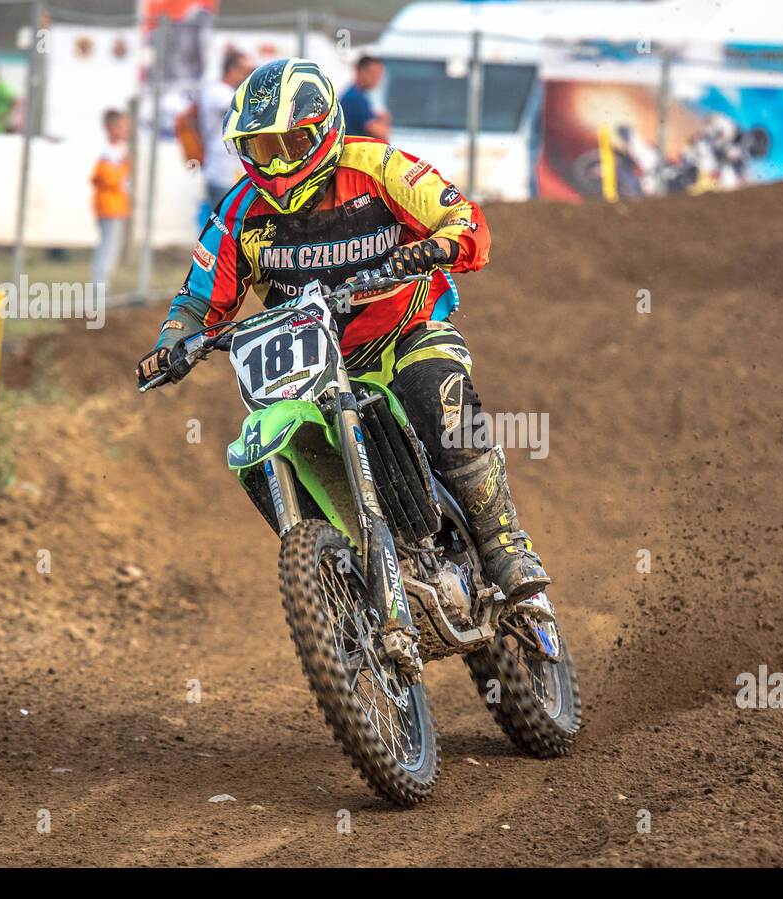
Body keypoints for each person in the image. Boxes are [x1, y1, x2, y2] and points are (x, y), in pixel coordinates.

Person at [136, 58, 551, 612]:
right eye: (263, 149)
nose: (279, 162)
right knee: (264, 442)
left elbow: (466, 221)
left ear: (325, 129)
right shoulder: (239, 210)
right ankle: (341, 578)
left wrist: (434, 246)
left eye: (291, 142)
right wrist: (175, 343)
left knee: (435, 393)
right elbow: (198, 297)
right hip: (310, 362)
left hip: (405, 329)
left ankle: (504, 544)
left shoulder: (377, 166)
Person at [199, 50, 254, 210]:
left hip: (232, 173)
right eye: (244, 71)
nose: (246, 76)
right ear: (232, 70)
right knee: (225, 227)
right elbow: (241, 109)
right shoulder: (217, 91)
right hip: (221, 173)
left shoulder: (229, 92)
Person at [90, 109, 131, 286]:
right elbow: (105, 178)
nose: (125, 131)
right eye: (121, 127)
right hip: (109, 207)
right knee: (106, 249)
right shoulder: (107, 153)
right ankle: (100, 287)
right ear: (111, 128)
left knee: (111, 249)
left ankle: (103, 286)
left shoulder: (117, 151)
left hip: (116, 206)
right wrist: (125, 166)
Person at [340, 55, 390, 139]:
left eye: (379, 74)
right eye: (373, 73)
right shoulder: (354, 98)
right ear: (361, 71)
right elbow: (380, 133)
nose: (377, 78)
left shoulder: (360, 95)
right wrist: (384, 120)